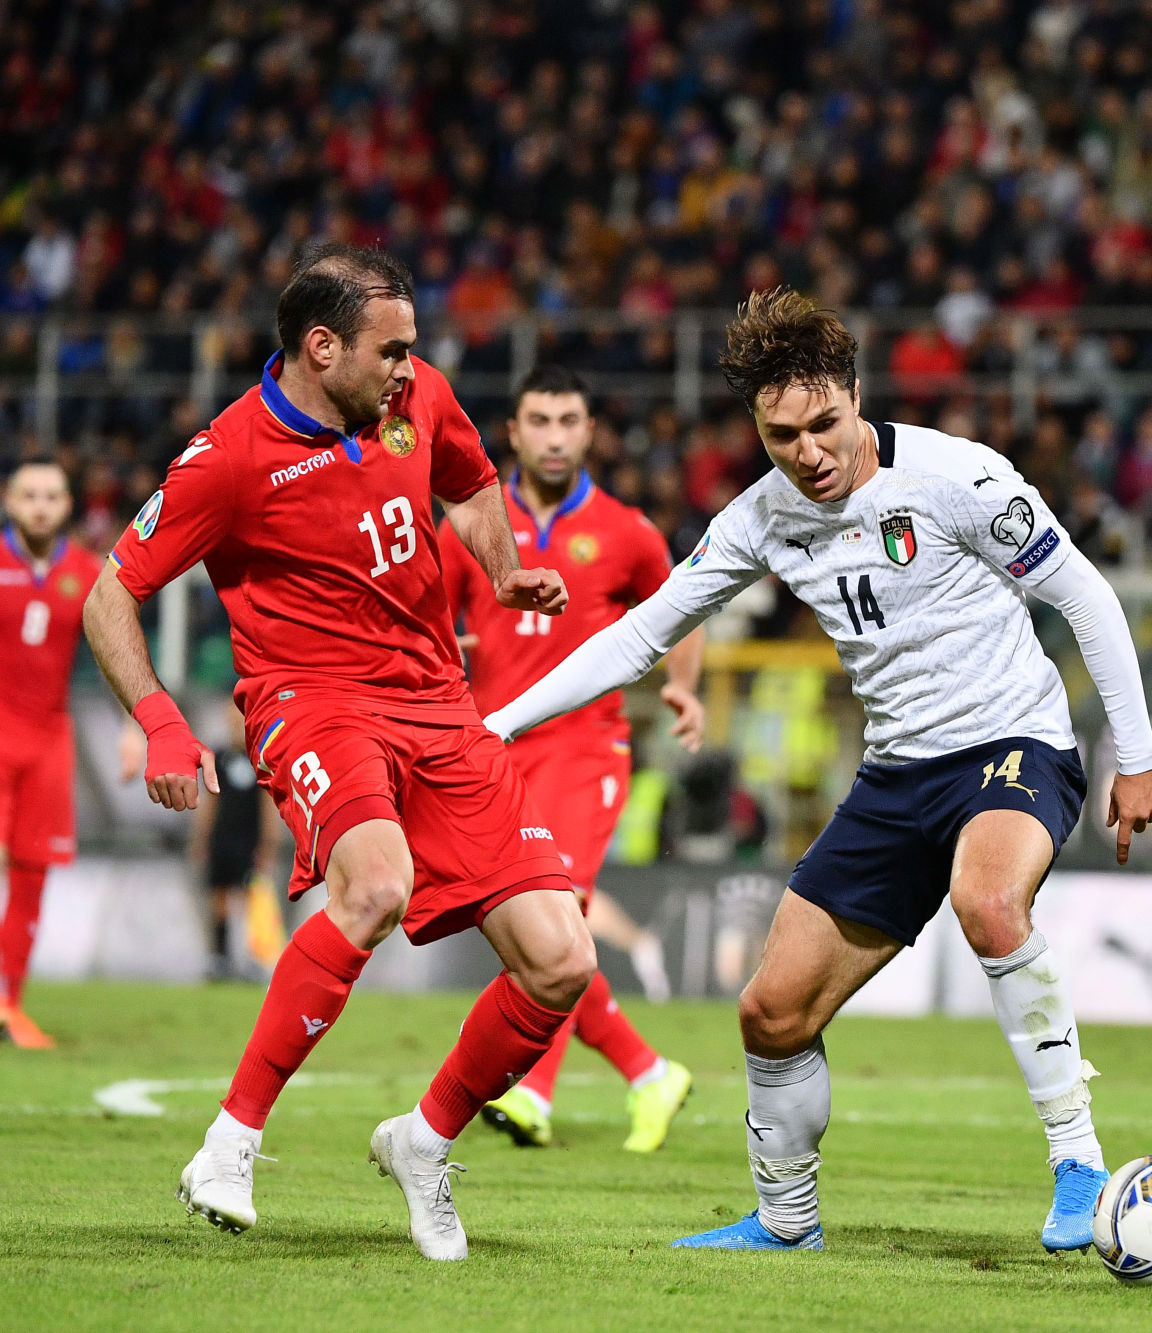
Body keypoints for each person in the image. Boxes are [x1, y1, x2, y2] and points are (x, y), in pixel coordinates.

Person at [483, 287, 1152, 1253]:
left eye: (823, 424)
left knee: (988, 904)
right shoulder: (761, 517)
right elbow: (642, 635)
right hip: (896, 776)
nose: (807, 452)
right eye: (780, 436)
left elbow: (1086, 599)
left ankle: (1078, 1163)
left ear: (856, 395)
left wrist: (1134, 758)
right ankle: (785, 1220)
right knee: (770, 1011)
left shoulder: (960, 478)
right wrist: (499, 724)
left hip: (1013, 742)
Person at [82, 243, 589, 1262]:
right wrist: (163, 720)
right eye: (392, 351)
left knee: (561, 960)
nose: (411, 369)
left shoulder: (415, 398)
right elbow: (110, 594)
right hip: (311, 702)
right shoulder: (227, 458)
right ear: (323, 347)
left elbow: (470, 478)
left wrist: (504, 568)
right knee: (376, 885)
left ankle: (425, 1139)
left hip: (438, 702)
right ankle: (229, 1142)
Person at [440, 363, 704, 1154]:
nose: (554, 436)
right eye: (539, 421)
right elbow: (433, 620)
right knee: (533, 934)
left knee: (559, 915)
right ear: (512, 432)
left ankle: (535, 1091)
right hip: (494, 753)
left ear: (589, 432)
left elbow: (686, 607)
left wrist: (685, 689)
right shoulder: (470, 527)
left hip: (586, 748)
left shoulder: (627, 532)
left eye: (568, 421)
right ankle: (647, 1071)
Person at [0, 458, 100, 1048]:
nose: (41, 505)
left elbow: (116, 646)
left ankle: (10, 1006)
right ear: (10, 501)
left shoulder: (87, 573)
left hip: (48, 740)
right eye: (29, 494)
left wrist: (130, 725)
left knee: (33, 874)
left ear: (67, 506)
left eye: (52, 495)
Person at [189, 700, 284, 982]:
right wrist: (201, 840)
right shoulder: (218, 757)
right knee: (219, 898)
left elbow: (269, 805)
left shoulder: (261, 760)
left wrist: (268, 843)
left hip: (249, 842)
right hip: (222, 840)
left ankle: (253, 958)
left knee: (251, 900)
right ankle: (219, 957)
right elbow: (210, 804)